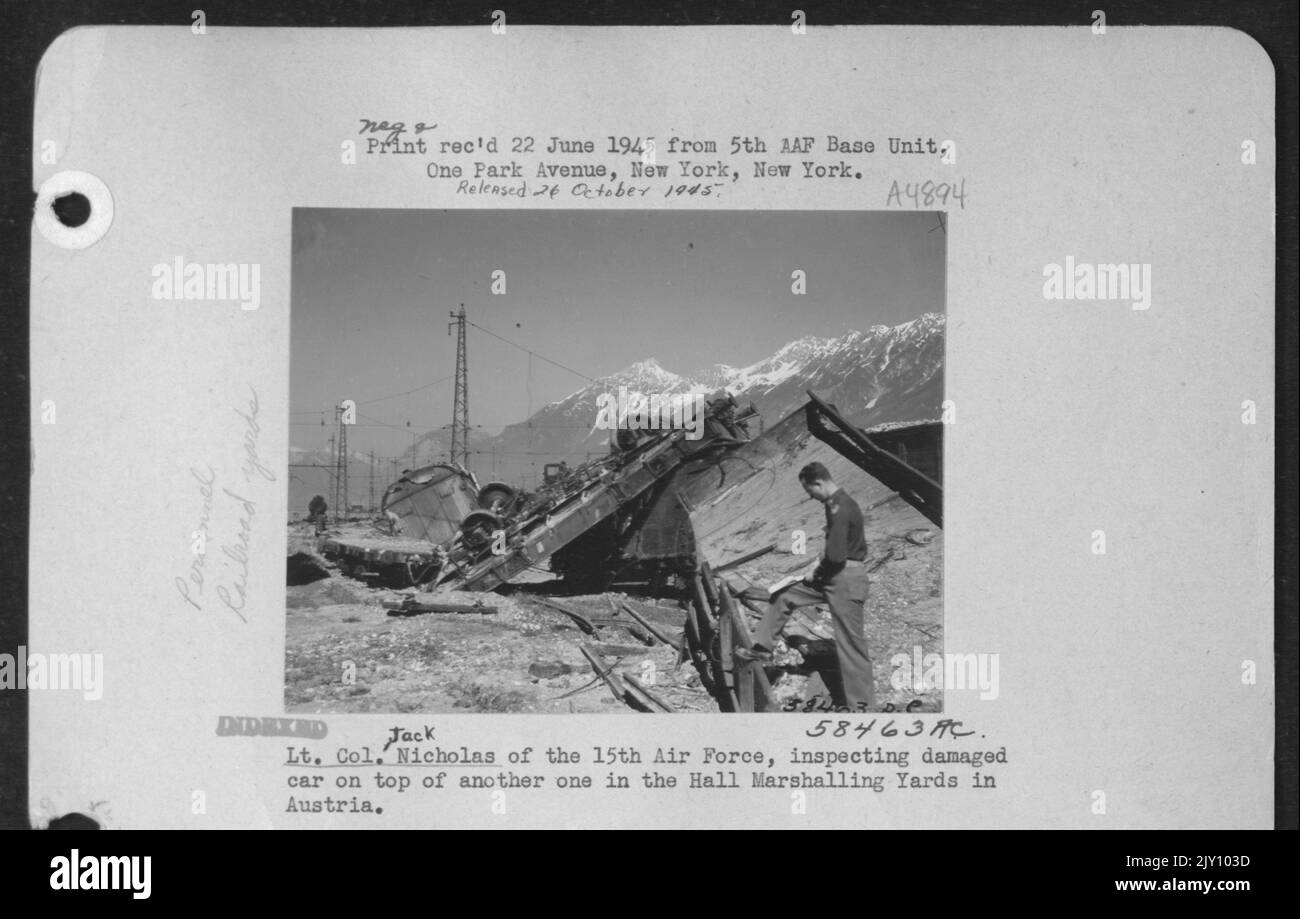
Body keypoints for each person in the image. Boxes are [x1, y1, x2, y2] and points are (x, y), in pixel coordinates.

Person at [736, 462, 876, 710]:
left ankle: (862, 707)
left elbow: (836, 557)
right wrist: (818, 570)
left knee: (851, 646)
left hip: (845, 579)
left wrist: (817, 574)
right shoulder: (837, 504)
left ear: (818, 483)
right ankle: (762, 649)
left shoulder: (839, 507)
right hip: (836, 574)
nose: (812, 498)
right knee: (785, 595)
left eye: (811, 492)